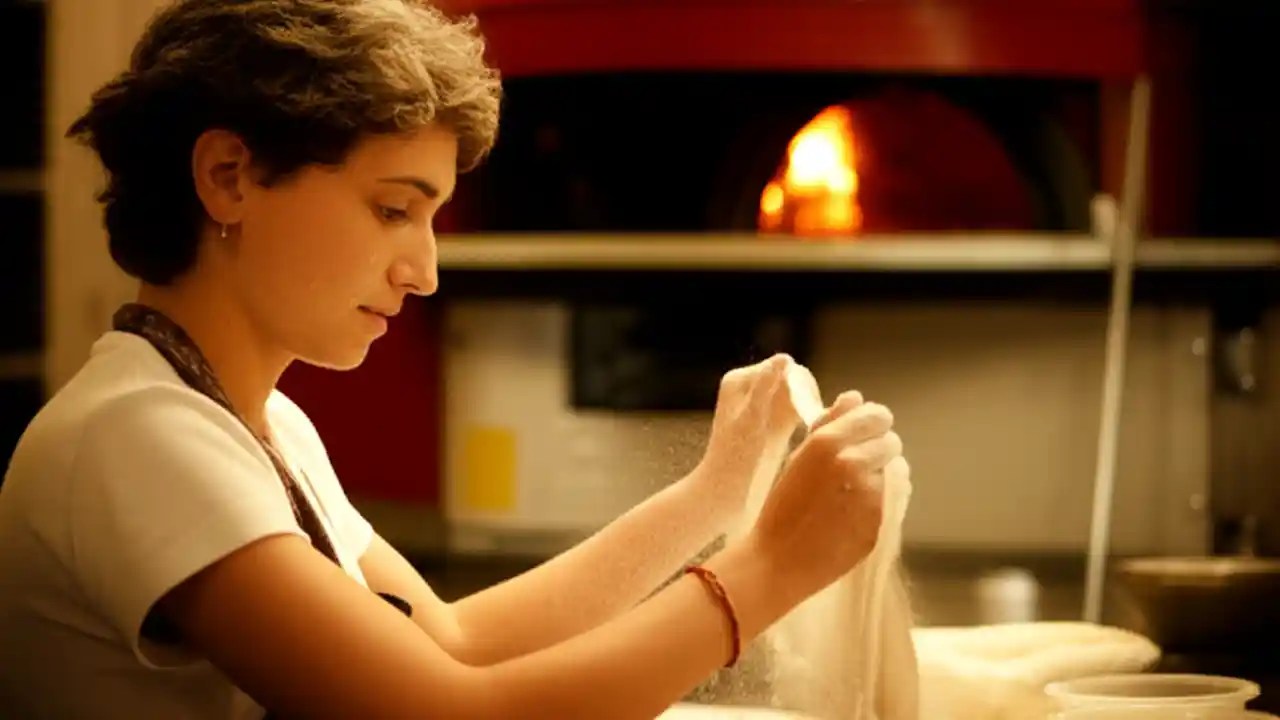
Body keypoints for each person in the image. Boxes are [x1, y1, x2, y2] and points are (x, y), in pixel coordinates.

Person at [0, 1, 907, 718]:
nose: (425, 271)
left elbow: (454, 641)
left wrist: (714, 492)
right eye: (394, 209)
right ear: (229, 177)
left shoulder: (256, 422)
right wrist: (768, 572)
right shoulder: (138, 437)